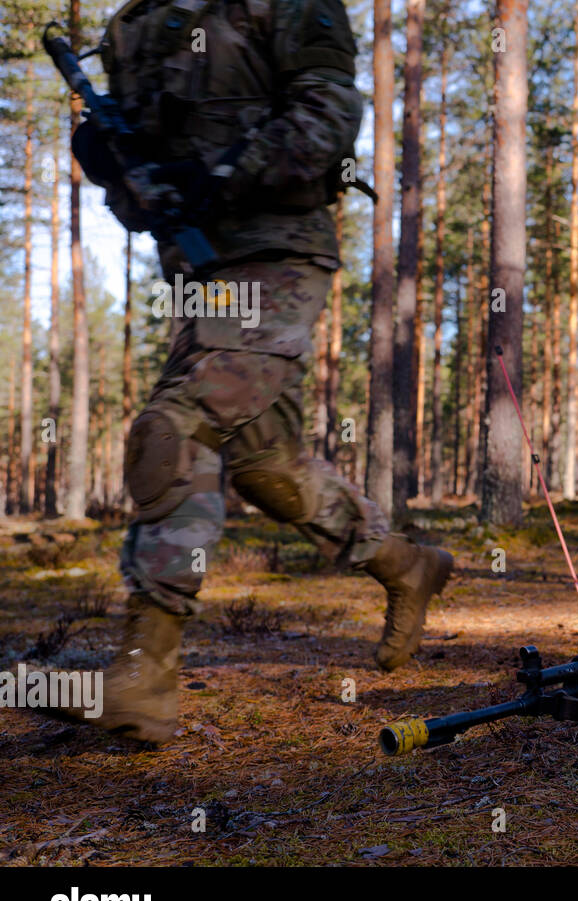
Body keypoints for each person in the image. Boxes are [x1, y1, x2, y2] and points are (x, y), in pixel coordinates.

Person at [50, 0, 451, 744]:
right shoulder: (136, 24)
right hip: (202, 271)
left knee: (177, 427)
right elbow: (147, 190)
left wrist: (224, 171)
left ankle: (147, 673)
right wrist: (113, 162)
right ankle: (407, 563)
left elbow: (329, 117)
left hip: (279, 251)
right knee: (270, 468)